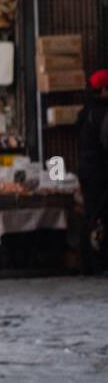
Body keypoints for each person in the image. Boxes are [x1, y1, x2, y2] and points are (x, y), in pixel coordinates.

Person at [77, 68, 108, 274]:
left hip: (87, 171)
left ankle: (90, 263)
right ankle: (102, 262)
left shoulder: (84, 112)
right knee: (103, 216)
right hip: (102, 173)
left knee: (91, 215)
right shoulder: (104, 113)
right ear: (104, 90)